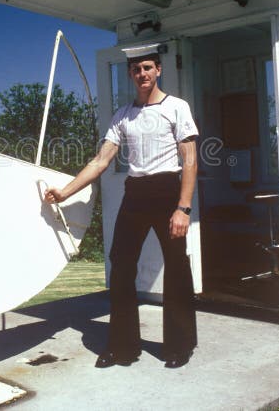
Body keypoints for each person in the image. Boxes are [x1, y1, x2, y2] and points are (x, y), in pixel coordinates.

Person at [44, 43, 198, 369]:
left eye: (147, 68)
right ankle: (123, 347)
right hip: (136, 192)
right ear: (130, 74)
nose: (142, 74)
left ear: (158, 70)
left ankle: (179, 345)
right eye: (136, 69)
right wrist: (66, 192)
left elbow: (190, 160)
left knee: (176, 265)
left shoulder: (177, 107)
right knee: (121, 263)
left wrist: (183, 208)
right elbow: (101, 161)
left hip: (168, 190)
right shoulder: (123, 115)